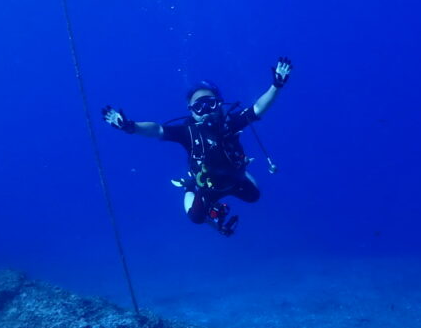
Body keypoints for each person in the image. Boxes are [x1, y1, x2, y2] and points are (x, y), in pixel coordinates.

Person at [102, 57, 292, 236]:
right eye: (198, 107)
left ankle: (241, 172)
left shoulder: (231, 123)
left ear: (219, 104)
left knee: (254, 197)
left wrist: (276, 86)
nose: (206, 111)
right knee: (196, 218)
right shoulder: (188, 132)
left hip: (235, 179)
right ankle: (190, 188)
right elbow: (156, 130)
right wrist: (131, 127)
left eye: (210, 104)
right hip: (206, 186)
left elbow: (258, 108)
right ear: (191, 111)